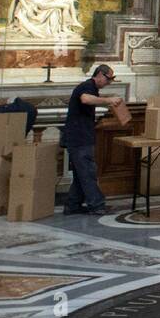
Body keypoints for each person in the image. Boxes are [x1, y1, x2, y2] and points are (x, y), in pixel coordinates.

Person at [62, 65, 120, 215]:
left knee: (80, 174)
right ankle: (97, 205)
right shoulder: (87, 86)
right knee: (88, 172)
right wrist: (108, 100)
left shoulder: (92, 88)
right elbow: (85, 99)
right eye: (108, 79)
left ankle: (73, 205)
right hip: (79, 138)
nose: (109, 82)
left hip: (79, 136)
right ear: (100, 74)